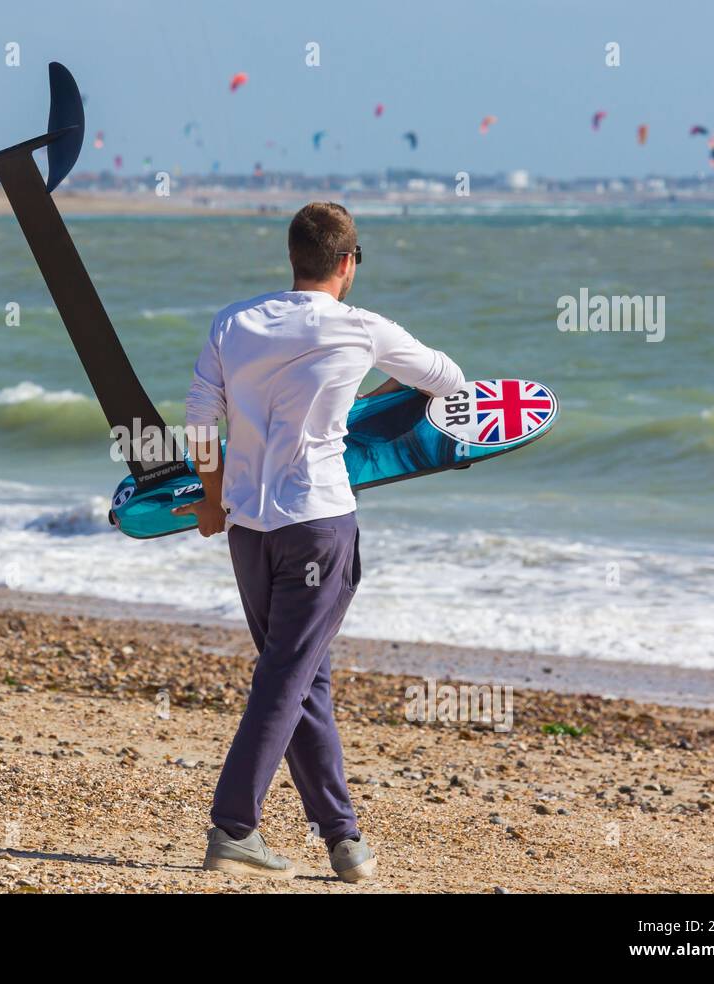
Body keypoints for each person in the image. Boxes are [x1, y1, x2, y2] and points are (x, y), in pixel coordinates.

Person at [177, 202, 466, 882]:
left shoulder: (235, 321)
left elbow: (198, 416)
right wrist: (373, 399)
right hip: (318, 525)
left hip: (249, 532)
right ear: (347, 263)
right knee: (286, 676)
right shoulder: (361, 329)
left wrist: (213, 501)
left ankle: (343, 840)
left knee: (304, 678)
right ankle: (233, 827)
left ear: (292, 258)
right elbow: (449, 381)